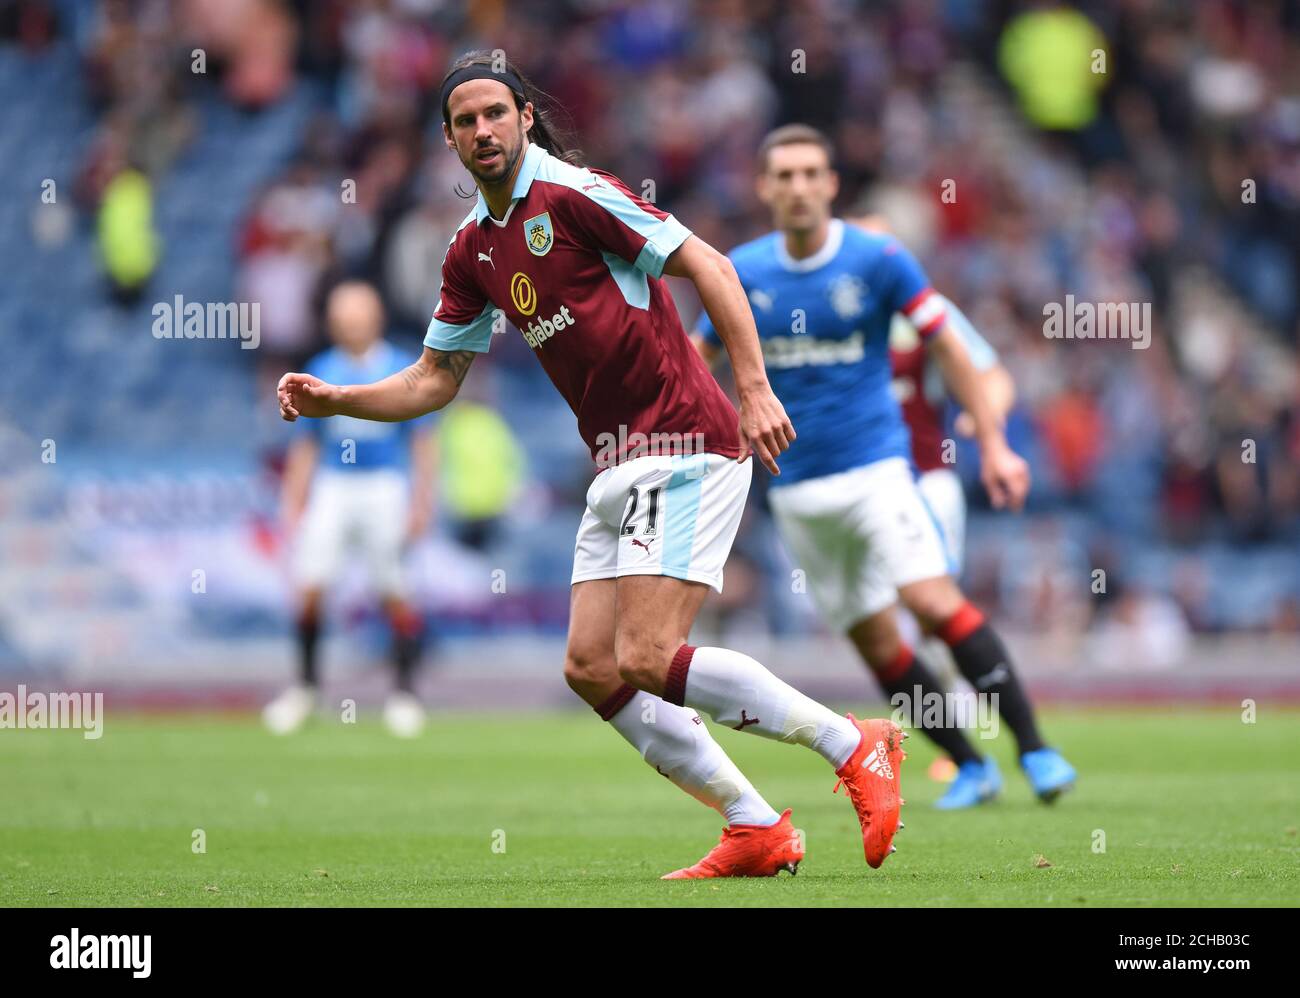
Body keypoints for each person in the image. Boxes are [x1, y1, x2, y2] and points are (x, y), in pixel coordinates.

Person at [277, 52, 906, 878]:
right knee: (590, 667)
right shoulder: (470, 250)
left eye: (495, 114)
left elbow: (710, 265)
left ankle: (853, 741)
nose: (483, 131)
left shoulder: (574, 194)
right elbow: (433, 380)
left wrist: (752, 389)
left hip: (683, 438)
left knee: (648, 656)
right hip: (614, 460)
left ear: (524, 118)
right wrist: (340, 400)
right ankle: (754, 823)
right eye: (466, 122)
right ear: (450, 140)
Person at [694, 125, 1076, 807]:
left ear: (832, 183)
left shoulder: (878, 258)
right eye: (783, 175)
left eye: (812, 172)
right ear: (763, 188)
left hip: (878, 470)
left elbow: (951, 345)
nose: (799, 186)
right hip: (796, 491)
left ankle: (1035, 748)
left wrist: (991, 442)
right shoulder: (739, 271)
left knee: (933, 603)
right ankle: (970, 764)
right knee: (877, 647)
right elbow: (699, 364)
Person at [264, 280, 435, 738]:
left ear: (374, 316)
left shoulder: (403, 367)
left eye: (357, 313)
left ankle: (405, 693)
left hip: (384, 485)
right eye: (342, 314)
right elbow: (305, 445)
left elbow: (422, 441)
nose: (349, 322)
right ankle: (305, 688)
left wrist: (422, 501)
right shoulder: (321, 367)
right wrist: (293, 502)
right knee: (310, 585)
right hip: (334, 485)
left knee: (395, 589)